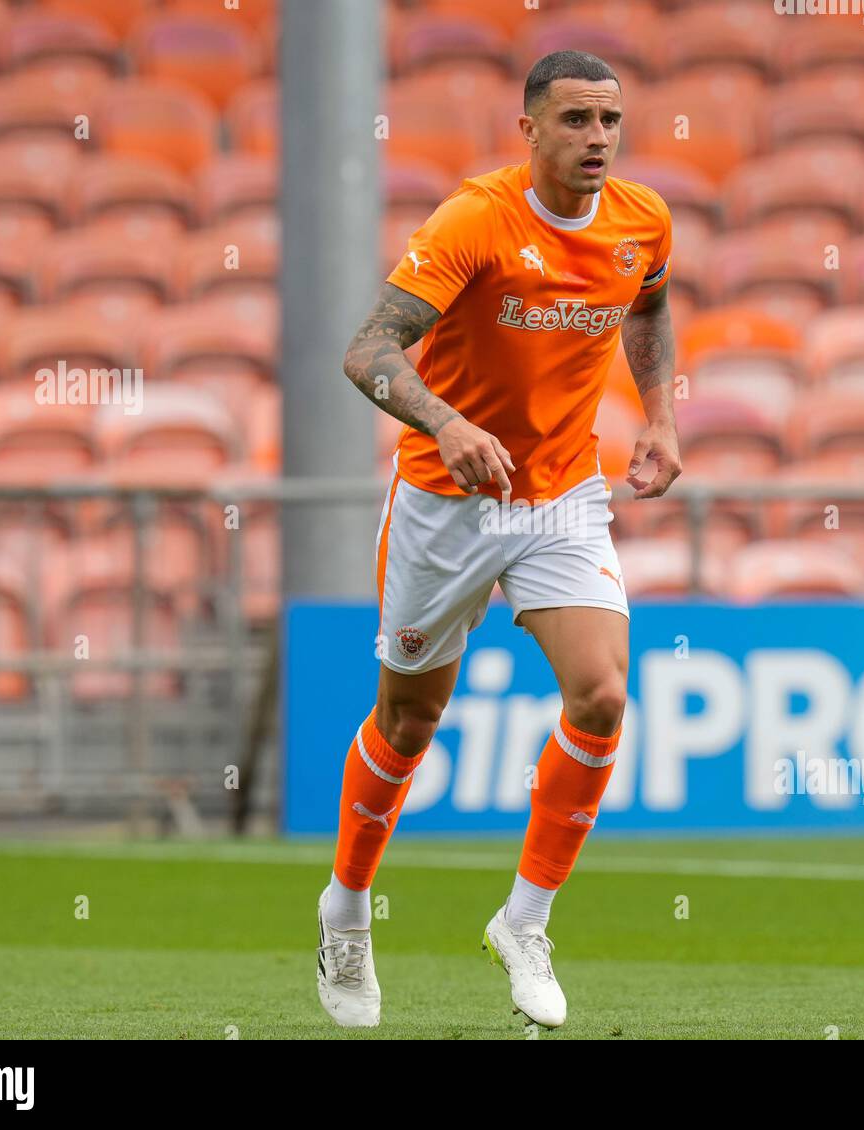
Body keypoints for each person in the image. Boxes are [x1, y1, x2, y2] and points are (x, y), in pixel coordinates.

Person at [325, 49, 680, 1029]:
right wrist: (446, 423)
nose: (597, 138)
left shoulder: (642, 221)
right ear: (528, 131)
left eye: (609, 119)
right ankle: (347, 906)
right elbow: (367, 350)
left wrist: (658, 416)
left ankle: (525, 919)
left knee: (603, 691)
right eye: (574, 120)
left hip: (561, 494)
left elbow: (646, 303)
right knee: (408, 722)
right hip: (446, 498)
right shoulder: (475, 220)